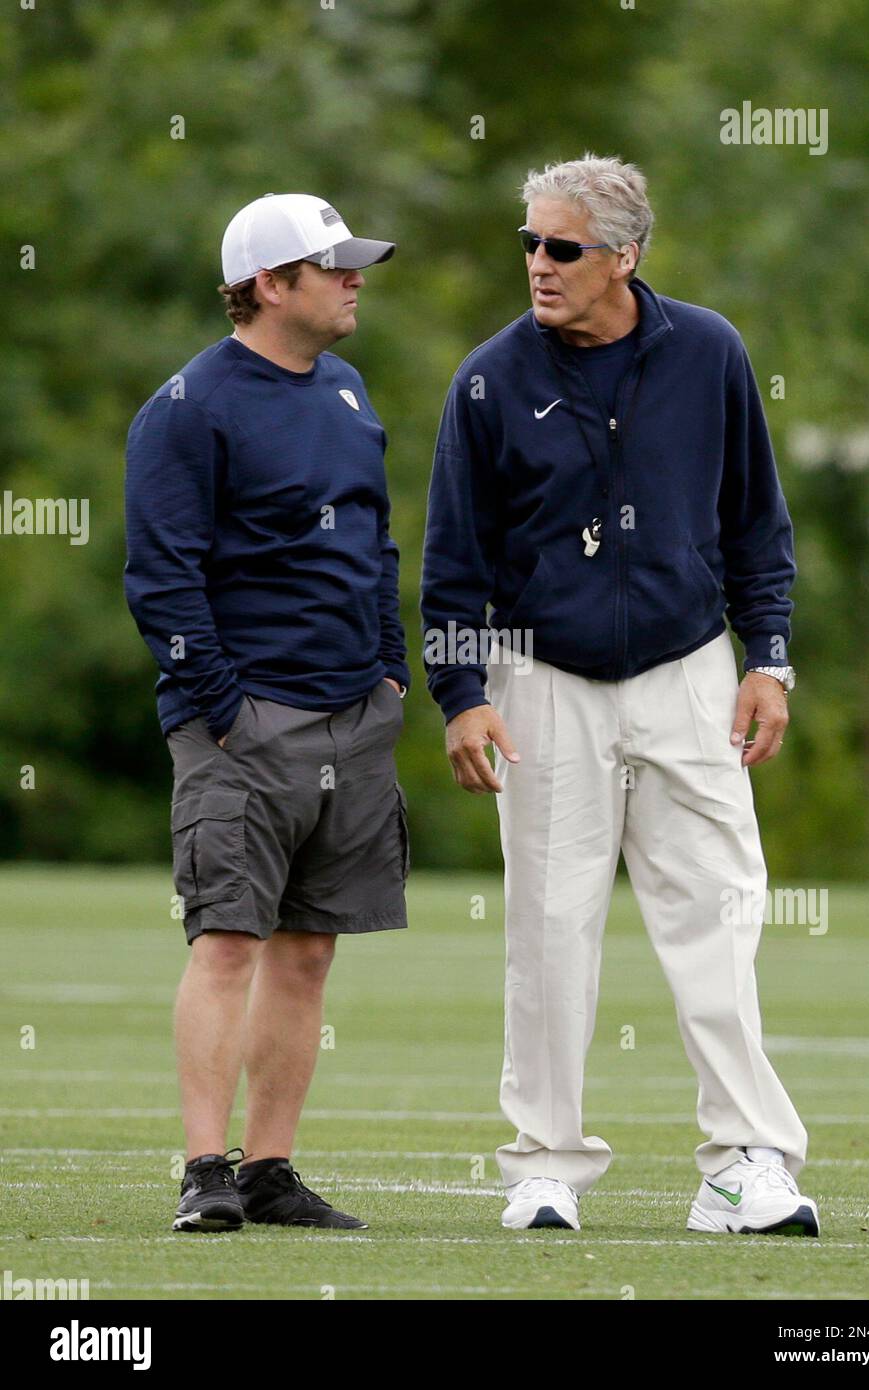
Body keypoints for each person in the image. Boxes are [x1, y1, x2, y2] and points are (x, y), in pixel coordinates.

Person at [420, 154, 818, 1236]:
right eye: (529, 244)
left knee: (719, 918)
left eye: (562, 247)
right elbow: (451, 559)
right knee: (549, 931)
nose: (538, 266)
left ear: (624, 255)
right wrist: (460, 691)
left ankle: (743, 1161)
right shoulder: (488, 379)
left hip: (690, 673)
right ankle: (543, 1162)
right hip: (541, 678)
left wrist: (768, 659)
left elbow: (754, 525)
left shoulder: (712, 352)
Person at [124, 192, 411, 1232]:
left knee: (308, 948)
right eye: (332, 267)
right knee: (228, 941)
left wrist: (388, 674)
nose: (354, 280)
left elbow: (373, 546)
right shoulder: (189, 405)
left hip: (352, 713)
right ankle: (205, 1167)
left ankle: (269, 1171)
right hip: (243, 722)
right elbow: (161, 577)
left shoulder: (344, 387)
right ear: (268, 285)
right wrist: (225, 710)